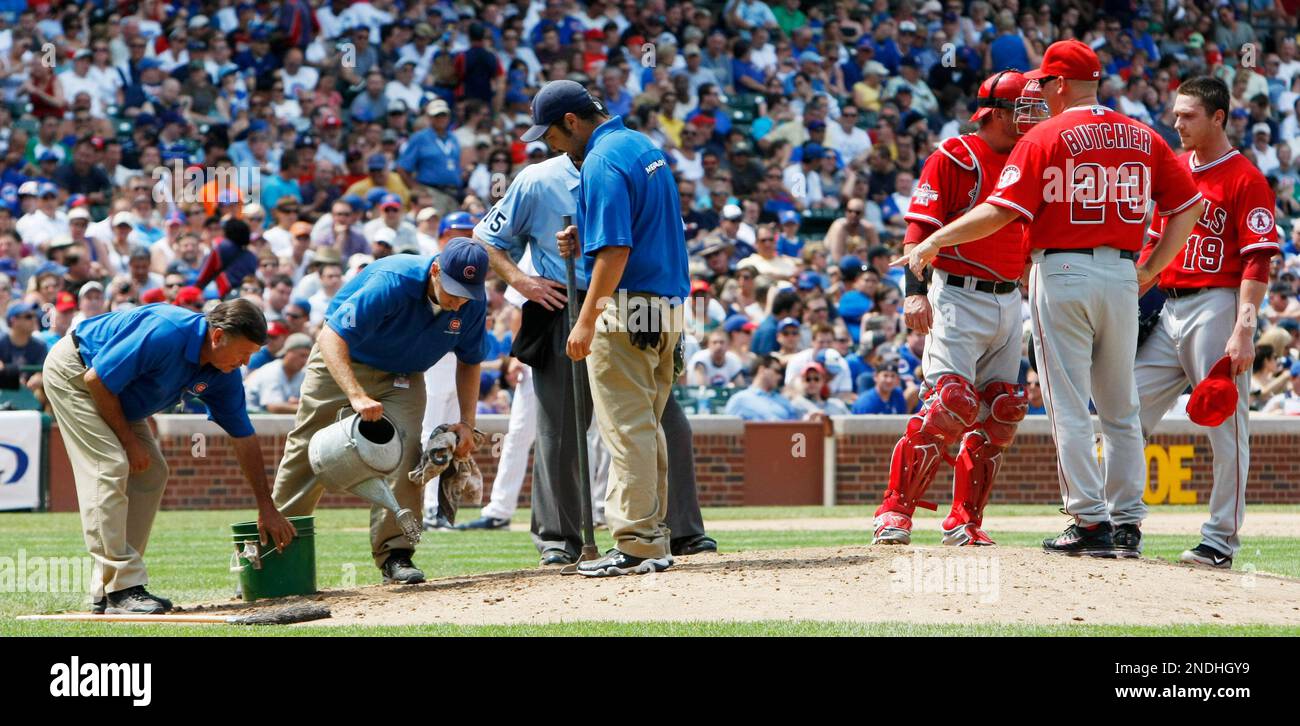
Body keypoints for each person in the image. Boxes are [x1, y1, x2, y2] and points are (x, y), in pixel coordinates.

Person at [898, 40, 1203, 557]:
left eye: (1043, 82)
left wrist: (934, 240)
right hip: (1123, 273)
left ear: (1062, 84)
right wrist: (1152, 267)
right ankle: (1127, 522)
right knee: (1120, 405)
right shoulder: (1141, 133)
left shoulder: (1047, 134)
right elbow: (1189, 205)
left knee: (1067, 406)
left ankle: (1088, 521)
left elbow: (1000, 212)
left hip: (1062, 269)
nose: (1037, 90)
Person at [470, 145, 716, 559]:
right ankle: (558, 539)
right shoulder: (538, 178)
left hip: (631, 301)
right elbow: (486, 237)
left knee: (667, 422)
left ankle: (681, 530)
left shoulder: (627, 164)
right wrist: (523, 282)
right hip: (565, 300)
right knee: (560, 427)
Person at [872, 71, 1045, 548]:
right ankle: (895, 511)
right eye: (1022, 110)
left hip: (1010, 297)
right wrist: (914, 289)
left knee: (1005, 409)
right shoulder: (956, 156)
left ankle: (964, 520)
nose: (1032, 119)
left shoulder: (1034, 159)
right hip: (957, 291)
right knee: (950, 404)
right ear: (994, 113)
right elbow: (919, 229)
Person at [41, 299, 294, 614]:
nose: (244, 363)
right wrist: (130, 442)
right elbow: (97, 380)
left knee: (152, 473)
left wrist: (266, 507)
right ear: (217, 337)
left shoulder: (223, 373)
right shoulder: (167, 331)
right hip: (76, 373)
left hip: (116, 393)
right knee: (109, 465)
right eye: (243, 353)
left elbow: (243, 437)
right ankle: (122, 588)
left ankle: (110, 588)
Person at [530, 80, 689, 577]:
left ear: (571, 122)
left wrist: (583, 321)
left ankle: (638, 542)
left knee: (625, 430)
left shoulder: (599, 160)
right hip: (668, 307)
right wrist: (588, 231)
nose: (549, 145)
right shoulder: (642, 145)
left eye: (551, 135)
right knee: (647, 426)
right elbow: (636, 227)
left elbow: (617, 251)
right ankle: (653, 536)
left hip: (625, 305)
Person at [270, 240, 489, 585]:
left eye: (467, 293)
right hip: (342, 362)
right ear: (435, 270)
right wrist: (356, 395)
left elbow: (470, 360)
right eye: (453, 290)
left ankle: (396, 554)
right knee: (306, 451)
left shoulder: (472, 303)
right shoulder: (391, 281)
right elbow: (331, 337)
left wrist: (467, 423)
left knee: (404, 454)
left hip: (403, 375)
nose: (459, 300)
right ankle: (275, 548)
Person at [1129, 77, 1278, 570]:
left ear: (1218, 117)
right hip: (1167, 306)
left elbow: (1258, 262)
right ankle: (1120, 521)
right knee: (1126, 409)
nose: (1176, 122)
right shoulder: (1174, 172)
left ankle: (1219, 541)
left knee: (1225, 429)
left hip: (1217, 304)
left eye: (1188, 114)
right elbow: (1153, 246)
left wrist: (1244, 327)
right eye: (1175, 113)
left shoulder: (1245, 178)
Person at [245, 332, 314, 413]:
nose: (305, 361)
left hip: (269, 421)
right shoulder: (272, 371)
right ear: (288, 352)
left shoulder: (302, 373)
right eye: (302, 355)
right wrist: (306, 407)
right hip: (248, 417)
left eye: (307, 356)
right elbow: (273, 407)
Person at [725, 355, 803, 421]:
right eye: (777, 371)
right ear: (761, 370)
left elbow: (794, 431)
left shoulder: (784, 401)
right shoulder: (740, 399)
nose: (780, 377)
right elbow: (728, 430)